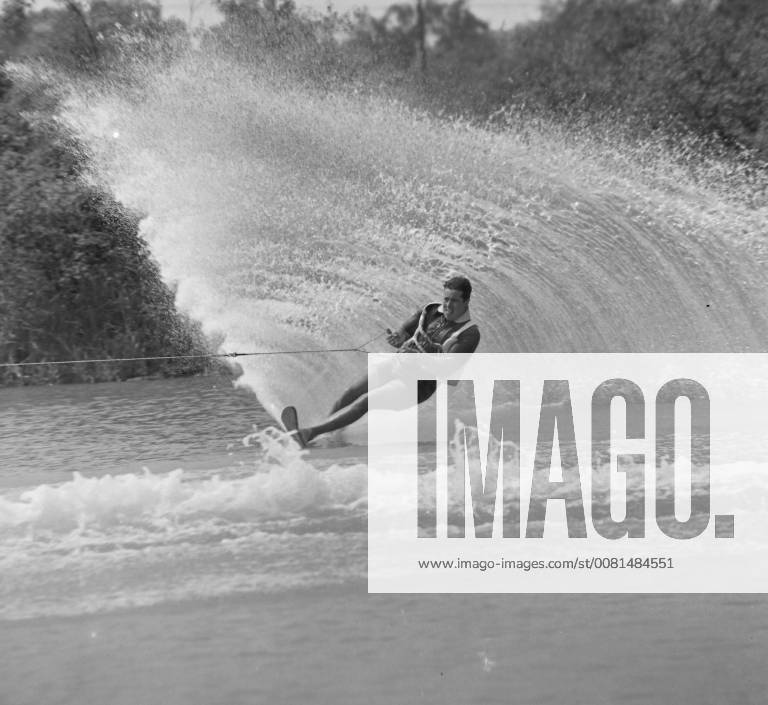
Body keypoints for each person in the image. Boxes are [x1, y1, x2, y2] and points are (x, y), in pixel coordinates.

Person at [281, 276, 480, 448]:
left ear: (466, 302)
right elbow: (403, 333)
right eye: (446, 299)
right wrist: (398, 338)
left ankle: (309, 434)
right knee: (350, 393)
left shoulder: (468, 334)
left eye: (454, 301)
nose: (448, 305)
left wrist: (420, 358)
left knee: (366, 401)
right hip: (397, 365)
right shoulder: (430, 311)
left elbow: (447, 370)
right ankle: (326, 433)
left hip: (417, 386)